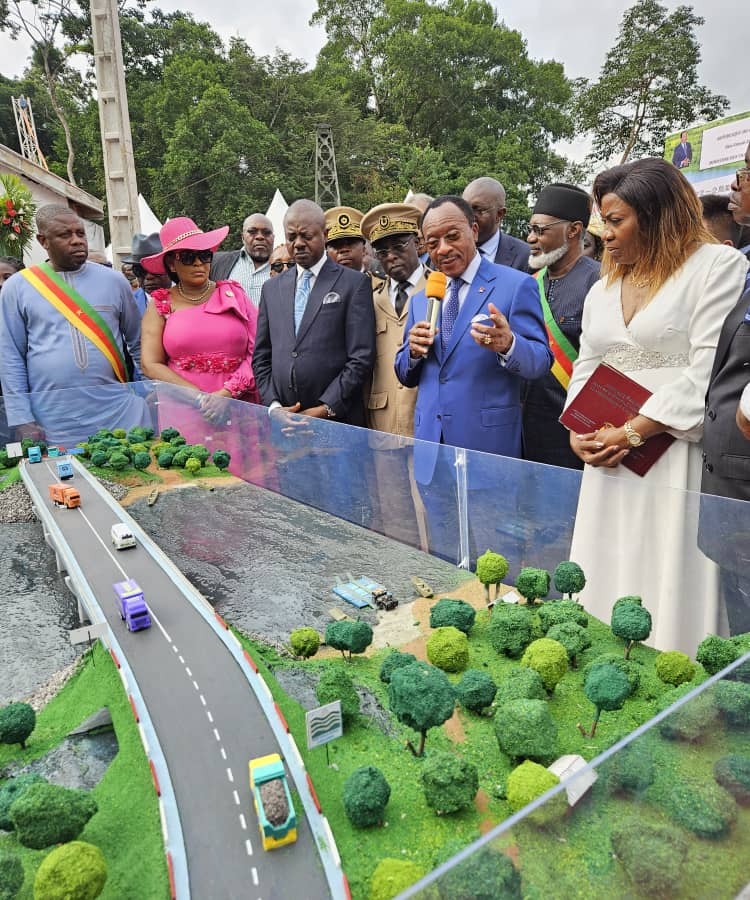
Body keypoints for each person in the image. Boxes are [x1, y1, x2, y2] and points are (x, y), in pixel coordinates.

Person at [563, 157, 748, 655]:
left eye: (617, 221)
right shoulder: (602, 287)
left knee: (669, 578)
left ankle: (677, 689)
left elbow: (708, 370)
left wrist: (635, 432)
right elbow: (589, 361)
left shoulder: (717, 266)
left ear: (659, 214)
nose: (605, 235)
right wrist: (577, 430)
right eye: (603, 222)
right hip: (605, 460)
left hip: (674, 456)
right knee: (603, 571)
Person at [394, 195, 551, 562]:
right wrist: (413, 353)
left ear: (474, 231)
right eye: (432, 243)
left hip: (488, 455)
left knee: (499, 561)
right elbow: (404, 373)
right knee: (446, 559)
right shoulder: (422, 300)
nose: (443, 249)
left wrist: (508, 344)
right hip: (433, 454)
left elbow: (540, 362)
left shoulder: (515, 286)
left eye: (452, 236)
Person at [252, 199, 376, 518]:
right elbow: (262, 356)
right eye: (291, 236)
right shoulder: (272, 289)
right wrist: (276, 408)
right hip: (288, 432)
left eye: (306, 235)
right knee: (299, 517)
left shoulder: (353, 284)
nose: (298, 244)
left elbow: (360, 358)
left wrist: (324, 408)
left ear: (324, 233)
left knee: (344, 517)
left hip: (337, 430)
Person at [0, 204, 151, 445]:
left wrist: (149, 391)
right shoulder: (17, 287)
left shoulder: (114, 281)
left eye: (80, 233)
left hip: (118, 409)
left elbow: (139, 343)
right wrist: (21, 417)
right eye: (65, 235)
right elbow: (10, 356)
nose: (77, 241)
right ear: (43, 240)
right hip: (53, 417)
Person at [140, 216, 263, 478]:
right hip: (184, 410)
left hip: (237, 406)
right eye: (188, 256)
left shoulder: (234, 294)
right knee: (192, 481)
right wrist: (200, 398)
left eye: (204, 255)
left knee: (244, 484)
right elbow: (150, 363)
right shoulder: (160, 304)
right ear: (171, 262)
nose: (198, 263)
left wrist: (227, 393)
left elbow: (260, 350)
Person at [360, 201, 429, 547]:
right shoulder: (369, 298)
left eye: (399, 245)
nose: (391, 256)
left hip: (425, 420)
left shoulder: (439, 290)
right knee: (393, 514)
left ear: (418, 243)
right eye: (382, 250)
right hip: (382, 420)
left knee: (429, 511)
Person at [523, 183, 601, 469]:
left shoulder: (601, 283)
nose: (531, 238)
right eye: (530, 228)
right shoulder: (529, 283)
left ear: (574, 230)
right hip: (526, 433)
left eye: (541, 230)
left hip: (574, 437)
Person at [462, 177, 529, 271]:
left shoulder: (524, 256)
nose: (468, 216)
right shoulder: (445, 251)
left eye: (477, 209)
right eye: (464, 208)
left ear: (499, 214)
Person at [210, 213, 274, 307]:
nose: (260, 237)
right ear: (243, 237)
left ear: (273, 237)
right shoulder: (217, 262)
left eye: (266, 232)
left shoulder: (288, 267)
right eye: (252, 231)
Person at [120, 233, 171, 316]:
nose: (149, 277)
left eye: (155, 268)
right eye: (140, 270)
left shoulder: (192, 298)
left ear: (170, 267)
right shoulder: (127, 305)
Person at [324, 206, 367, 271]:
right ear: (327, 253)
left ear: (364, 250)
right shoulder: (315, 281)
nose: (344, 250)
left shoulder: (380, 281)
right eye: (336, 245)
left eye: (351, 242)